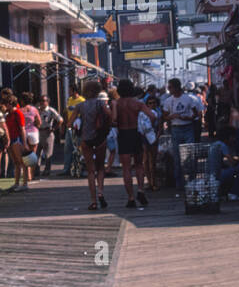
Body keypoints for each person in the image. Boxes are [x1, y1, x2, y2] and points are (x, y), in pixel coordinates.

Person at [110, 78, 156, 208]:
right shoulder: (138, 103)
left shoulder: (116, 103)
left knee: (126, 169)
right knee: (139, 165)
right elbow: (152, 116)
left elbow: (113, 120)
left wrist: (113, 107)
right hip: (136, 133)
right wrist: (148, 129)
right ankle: (140, 190)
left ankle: (130, 198)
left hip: (123, 134)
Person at [162, 77, 204, 198]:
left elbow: (196, 113)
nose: (169, 90)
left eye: (170, 87)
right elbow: (165, 116)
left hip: (188, 127)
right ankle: (179, 183)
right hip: (175, 129)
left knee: (190, 154)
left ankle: (191, 180)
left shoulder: (189, 99)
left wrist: (189, 118)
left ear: (176, 87)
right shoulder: (168, 101)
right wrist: (172, 116)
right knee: (177, 157)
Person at [78, 79, 111, 209]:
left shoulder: (80, 105)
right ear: (98, 91)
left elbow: (69, 123)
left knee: (90, 171)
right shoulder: (101, 103)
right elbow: (110, 116)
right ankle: (101, 192)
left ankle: (93, 201)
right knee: (100, 168)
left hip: (86, 139)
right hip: (100, 138)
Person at [0, 89, 30, 189]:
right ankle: (17, 183)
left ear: (11, 103)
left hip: (17, 139)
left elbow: (22, 129)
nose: (5, 106)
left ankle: (25, 184)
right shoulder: (9, 115)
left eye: (6, 104)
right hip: (11, 139)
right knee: (16, 163)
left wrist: (24, 143)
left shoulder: (18, 113)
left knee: (22, 162)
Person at [36, 94, 63, 176]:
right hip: (38, 132)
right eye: (40, 101)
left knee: (48, 153)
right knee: (37, 153)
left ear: (48, 102)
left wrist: (54, 128)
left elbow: (60, 120)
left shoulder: (51, 110)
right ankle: (36, 170)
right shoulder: (37, 110)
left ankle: (47, 170)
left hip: (47, 132)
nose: (42, 103)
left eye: (44, 101)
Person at [61, 89, 85, 177]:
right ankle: (67, 169)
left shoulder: (82, 100)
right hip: (70, 126)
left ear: (75, 91)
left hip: (78, 127)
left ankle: (79, 169)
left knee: (78, 149)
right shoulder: (70, 100)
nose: (69, 93)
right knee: (68, 148)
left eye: (70, 91)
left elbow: (80, 114)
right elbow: (66, 112)